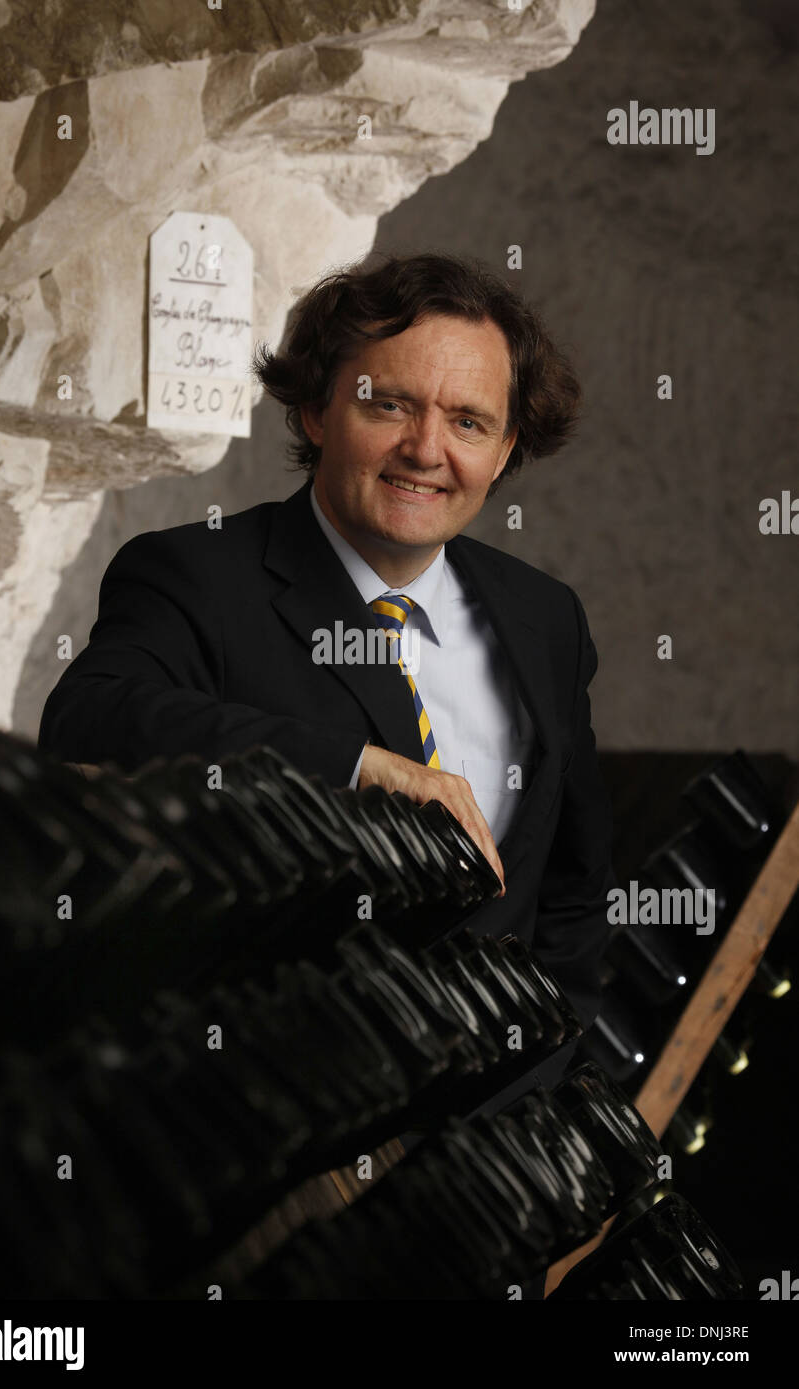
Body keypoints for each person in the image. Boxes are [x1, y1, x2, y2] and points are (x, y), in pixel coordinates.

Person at [39, 249, 615, 1101]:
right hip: (251, 1129)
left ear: (503, 452)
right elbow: (88, 719)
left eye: (468, 422)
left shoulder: (545, 619)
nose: (426, 450)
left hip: (477, 1170)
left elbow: (569, 896)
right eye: (390, 405)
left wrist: (533, 1099)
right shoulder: (198, 576)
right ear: (314, 409)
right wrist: (350, 769)